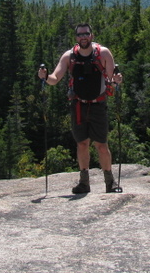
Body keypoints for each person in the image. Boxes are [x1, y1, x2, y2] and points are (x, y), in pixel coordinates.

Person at [38, 23, 123, 193]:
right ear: (76, 37)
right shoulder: (69, 56)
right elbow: (55, 78)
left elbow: (112, 78)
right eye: (80, 35)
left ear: (91, 35)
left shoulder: (104, 53)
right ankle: (84, 183)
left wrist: (117, 80)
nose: (83, 37)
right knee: (82, 144)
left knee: (101, 145)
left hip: (98, 104)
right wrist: (45, 76)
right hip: (78, 105)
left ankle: (110, 182)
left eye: (86, 34)